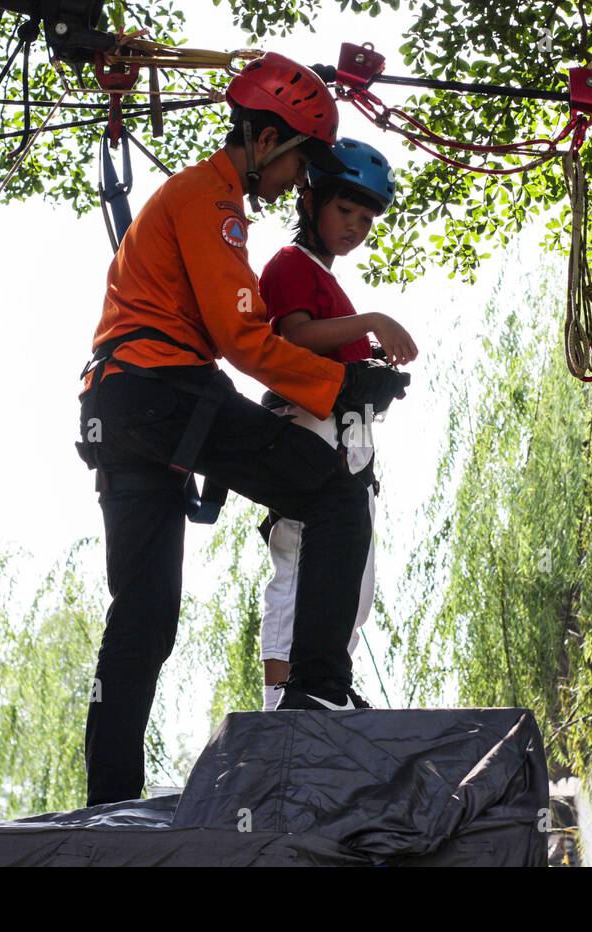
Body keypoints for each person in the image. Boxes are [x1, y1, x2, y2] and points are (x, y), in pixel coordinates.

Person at [75, 53, 410, 807]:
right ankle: (318, 692)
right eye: (298, 164)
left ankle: (109, 803)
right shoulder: (211, 202)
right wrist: (339, 382)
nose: (296, 182)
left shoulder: (203, 201)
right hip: (162, 392)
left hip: (119, 408)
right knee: (332, 497)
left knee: (145, 615)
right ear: (264, 141)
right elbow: (242, 338)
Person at [256, 137, 418, 711]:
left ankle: (327, 691)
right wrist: (371, 321)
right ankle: (283, 702)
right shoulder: (290, 265)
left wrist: (369, 368)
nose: (355, 226)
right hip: (308, 433)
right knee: (301, 568)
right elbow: (293, 336)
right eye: (345, 210)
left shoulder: (327, 279)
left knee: (352, 585)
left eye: (366, 218)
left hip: (350, 443)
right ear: (310, 200)